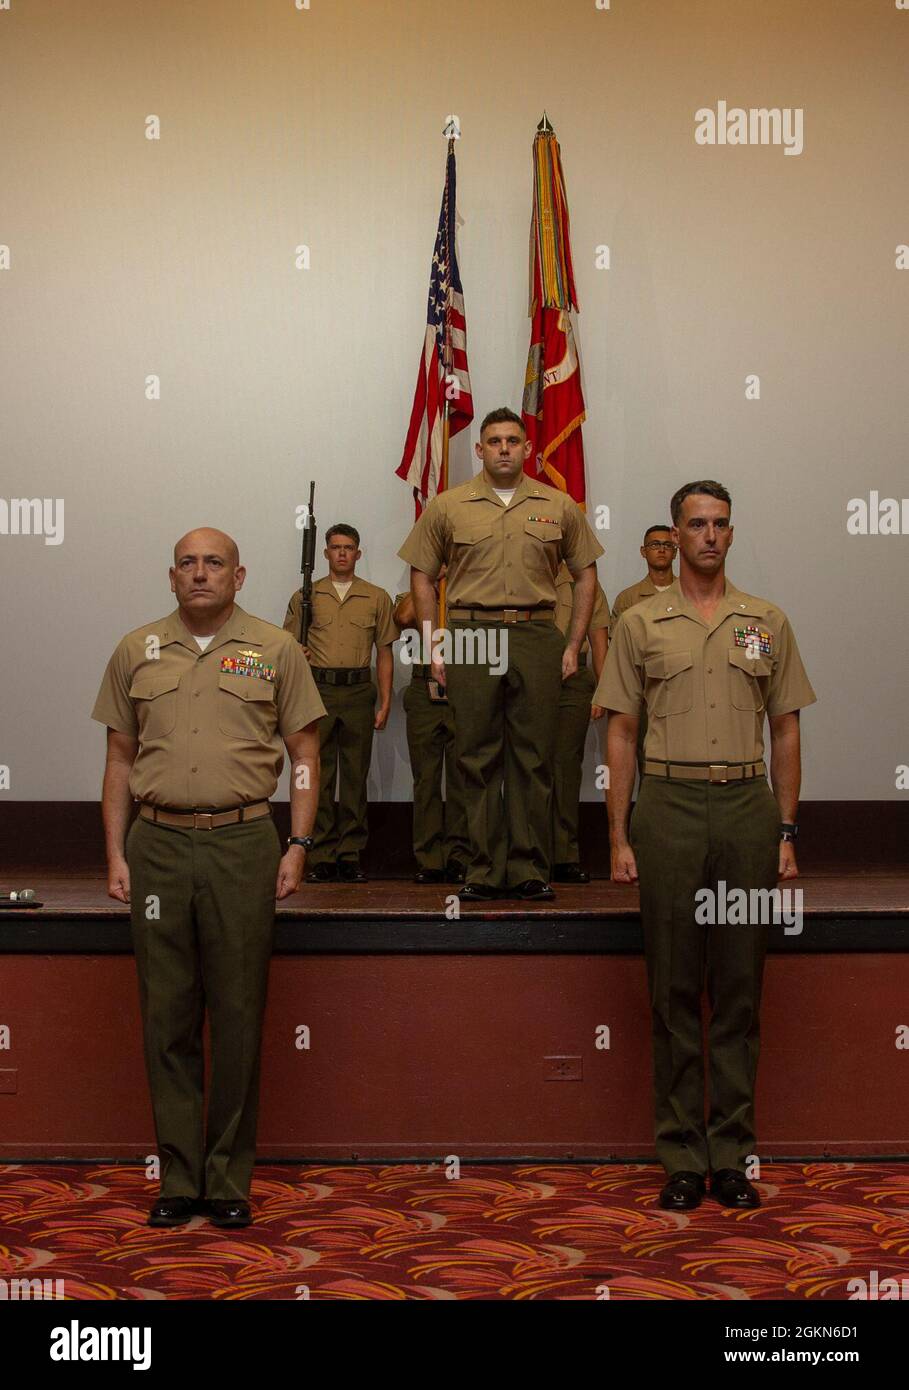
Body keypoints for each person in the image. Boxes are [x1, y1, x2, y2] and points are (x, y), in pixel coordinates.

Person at [92, 528, 324, 1229]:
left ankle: (227, 1178)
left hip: (244, 844)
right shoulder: (138, 649)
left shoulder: (276, 649)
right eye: (187, 564)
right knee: (167, 1018)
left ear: (239, 574)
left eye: (213, 563)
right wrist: (115, 856)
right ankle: (178, 1178)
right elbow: (119, 761)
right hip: (157, 844)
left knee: (237, 1013)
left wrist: (299, 844)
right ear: (171, 577)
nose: (200, 574)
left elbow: (305, 752)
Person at [596, 482, 815, 1212]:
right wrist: (619, 834)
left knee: (739, 989)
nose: (710, 535)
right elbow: (619, 731)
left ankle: (731, 1154)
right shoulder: (638, 622)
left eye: (720, 523)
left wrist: (783, 831)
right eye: (696, 524)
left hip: (747, 811)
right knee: (672, 988)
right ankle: (681, 1155)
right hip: (669, 810)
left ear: (731, 532)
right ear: (673, 533)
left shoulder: (765, 621)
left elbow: (784, 726)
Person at [398, 407, 603, 899]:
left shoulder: (558, 505)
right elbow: (422, 575)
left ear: (528, 448)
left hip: (535, 634)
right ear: (480, 449)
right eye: (494, 441)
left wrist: (572, 644)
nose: (504, 448)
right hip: (472, 632)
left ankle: (531, 869)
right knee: (475, 757)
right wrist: (434, 643)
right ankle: (483, 870)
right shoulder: (449, 506)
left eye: (513, 440)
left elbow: (586, 574)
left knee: (534, 759)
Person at [284, 524, 397, 883]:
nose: (342, 553)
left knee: (354, 776)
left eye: (349, 547)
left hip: (358, 691)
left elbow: (384, 652)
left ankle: (349, 854)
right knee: (319, 772)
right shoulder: (307, 595)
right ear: (325, 553)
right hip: (318, 690)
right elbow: (286, 647)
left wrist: (384, 700)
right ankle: (321, 854)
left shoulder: (376, 597)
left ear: (358, 554)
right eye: (335, 547)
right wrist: (296, 651)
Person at [393, 573, 470, 884]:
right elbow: (403, 617)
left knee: (461, 779)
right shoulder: (409, 595)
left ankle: (459, 856)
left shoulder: (467, 592)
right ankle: (429, 860)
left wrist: (453, 585)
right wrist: (428, 583)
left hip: (462, 687)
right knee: (426, 780)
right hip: (424, 687)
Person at [550, 561, 610, 883]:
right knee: (525, 764)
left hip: (574, 681)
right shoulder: (526, 569)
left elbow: (599, 638)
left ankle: (564, 855)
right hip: (528, 678)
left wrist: (602, 690)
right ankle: (526, 854)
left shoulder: (583, 581)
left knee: (566, 766)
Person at [610, 524, 677, 628]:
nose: (661, 550)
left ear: (675, 552)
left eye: (668, 545)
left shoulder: (689, 593)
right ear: (643, 551)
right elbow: (619, 642)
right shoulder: (627, 599)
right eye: (655, 545)